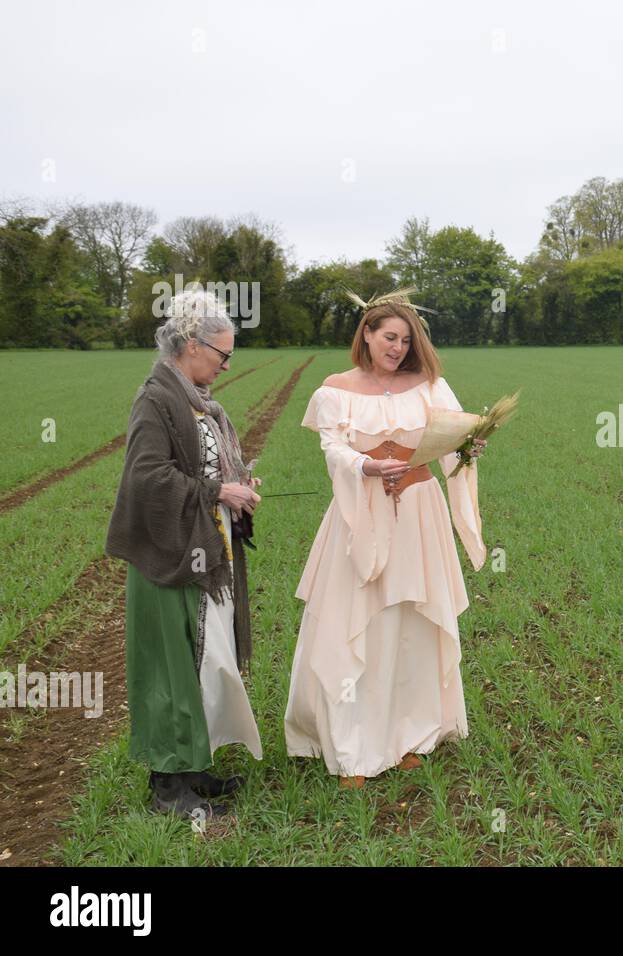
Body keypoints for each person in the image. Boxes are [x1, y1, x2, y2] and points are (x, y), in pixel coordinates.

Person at [284, 290, 487, 788]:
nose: (397, 347)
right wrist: (364, 464)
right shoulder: (335, 390)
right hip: (362, 516)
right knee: (360, 623)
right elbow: (332, 448)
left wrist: (469, 450)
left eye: (405, 339)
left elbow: (453, 445)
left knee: (410, 626)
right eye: (388, 337)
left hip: (420, 515)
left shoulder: (433, 387)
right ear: (367, 335)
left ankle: (407, 736)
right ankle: (353, 747)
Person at [105, 289, 264, 818]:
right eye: (222, 354)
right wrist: (217, 491)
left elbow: (203, 466)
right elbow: (147, 476)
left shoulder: (196, 400)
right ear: (191, 345)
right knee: (171, 667)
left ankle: (194, 769)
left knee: (199, 660)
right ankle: (169, 791)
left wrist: (235, 483)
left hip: (202, 545)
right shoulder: (157, 398)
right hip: (169, 552)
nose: (225, 365)